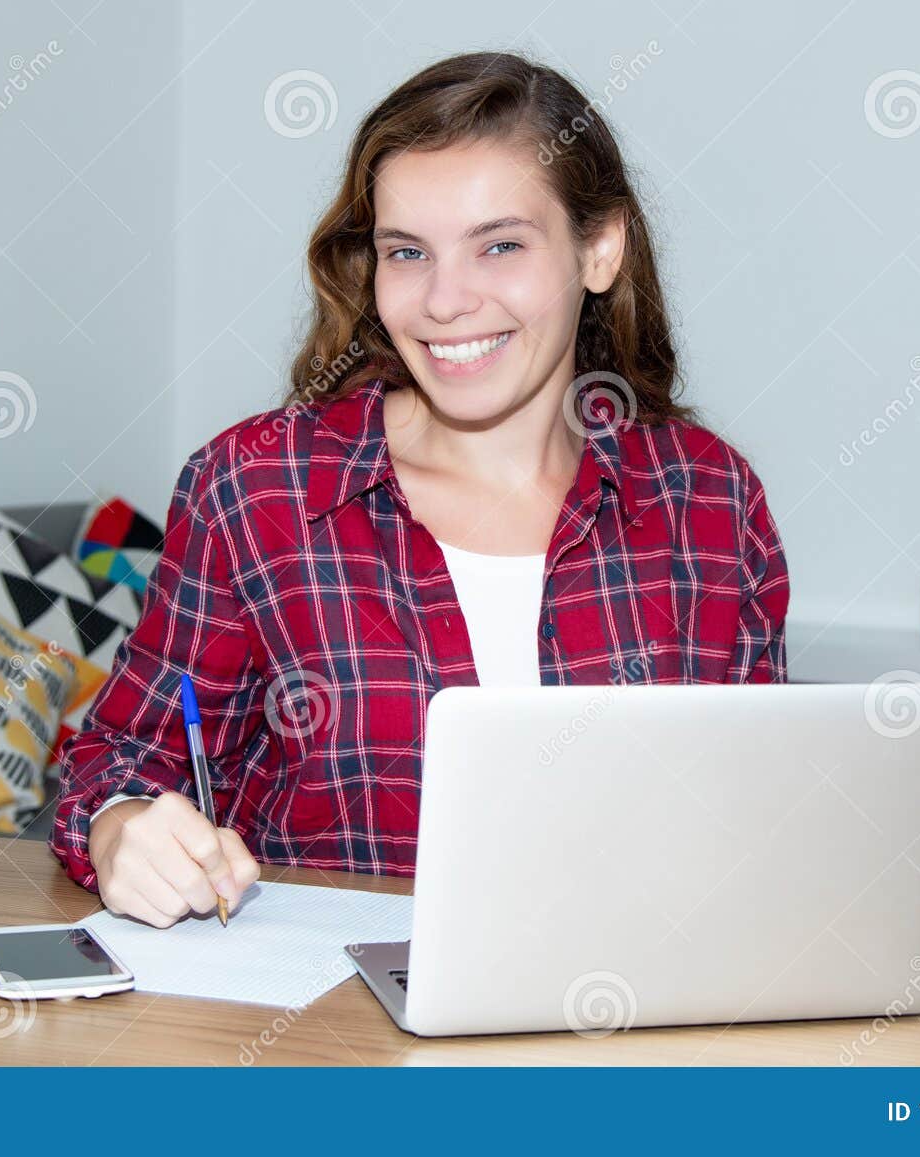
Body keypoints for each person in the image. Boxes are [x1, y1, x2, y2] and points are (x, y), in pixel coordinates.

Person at [49, 51, 790, 928]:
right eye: (409, 252)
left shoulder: (709, 498)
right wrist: (119, 827)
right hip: (329, 1045)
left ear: (599, 250)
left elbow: (764, 814)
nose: (445, 300)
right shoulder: (256, 489)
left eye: (501, 245)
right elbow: (120, 755)